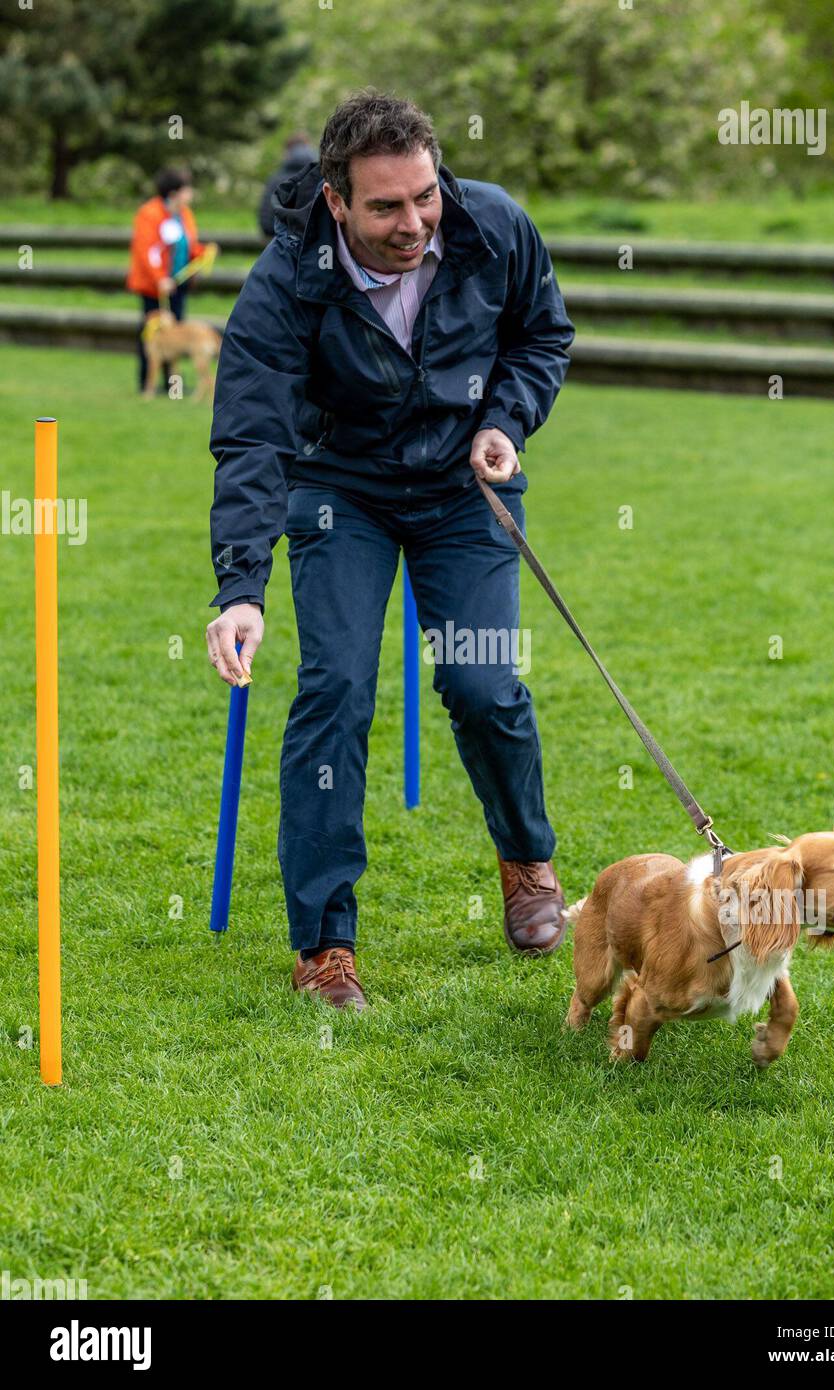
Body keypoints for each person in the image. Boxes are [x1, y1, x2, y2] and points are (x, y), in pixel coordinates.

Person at [206, 91, 575, 1010]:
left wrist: (505, 420)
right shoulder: (286, 277)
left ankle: (526, 860)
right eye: (385, 207)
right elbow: (255, 437)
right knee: (334, 686)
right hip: (343, 491)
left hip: (466, 483)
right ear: (336, 201)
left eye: (423, 198)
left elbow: (542, 336)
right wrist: (241, 587)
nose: (413, 223)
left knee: (483, 684)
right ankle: (324, 945)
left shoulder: (493, 224)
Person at [126, 169, 208, 393]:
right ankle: (147, 382)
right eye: (186, 189)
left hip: (178, 283)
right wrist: (159, 278)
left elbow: (188, 244)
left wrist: (203, 252)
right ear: (173, 193)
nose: (190, 193)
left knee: (176, 336)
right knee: (152, 335)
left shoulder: (185, 214)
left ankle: (172, 385)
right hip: (155, 287)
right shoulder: (149, 213)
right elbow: (146, 250)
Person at [257, 133, 320, 238]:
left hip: (275, 235)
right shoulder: (320, 177)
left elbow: (266, 219)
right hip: (311, 237)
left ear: (287, 152)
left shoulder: (275, 178)